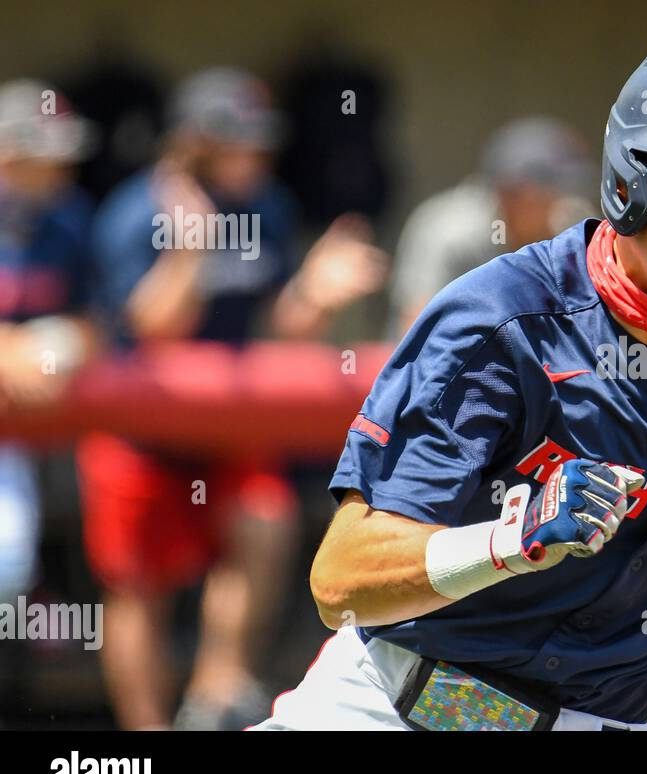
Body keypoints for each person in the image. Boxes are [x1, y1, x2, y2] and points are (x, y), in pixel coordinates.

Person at [253, 38, 647, 731]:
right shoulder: (498, 323)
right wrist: (509, 542)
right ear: (634, 189)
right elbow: (342, 581)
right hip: (395, 711)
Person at [84, 67, 387, 730]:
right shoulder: (140, 210)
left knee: (264, 523)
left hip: (227, 416)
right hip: (143, 425)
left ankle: (215, 692)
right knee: (139, 587)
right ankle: (145, 734)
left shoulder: (268, 206)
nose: (255, 154)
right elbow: (149, 330)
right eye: (237, 142)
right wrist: (190, 253)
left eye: (259, 142)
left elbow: (276, 327)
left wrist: (312, 293)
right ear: (194, 144)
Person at [0, 80, 98, 605]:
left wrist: (53, 349)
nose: (63, 168)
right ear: (8, 155)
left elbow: (95, 317)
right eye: (47, 155)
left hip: (35, 415)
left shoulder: (69, 218)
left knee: (8, 565)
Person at [387, 116, 593, 338]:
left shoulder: (569, 223)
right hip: (448, 362)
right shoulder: (449, 230)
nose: (561, 202)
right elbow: (416, 329)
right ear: (516, 193)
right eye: (552, 192)